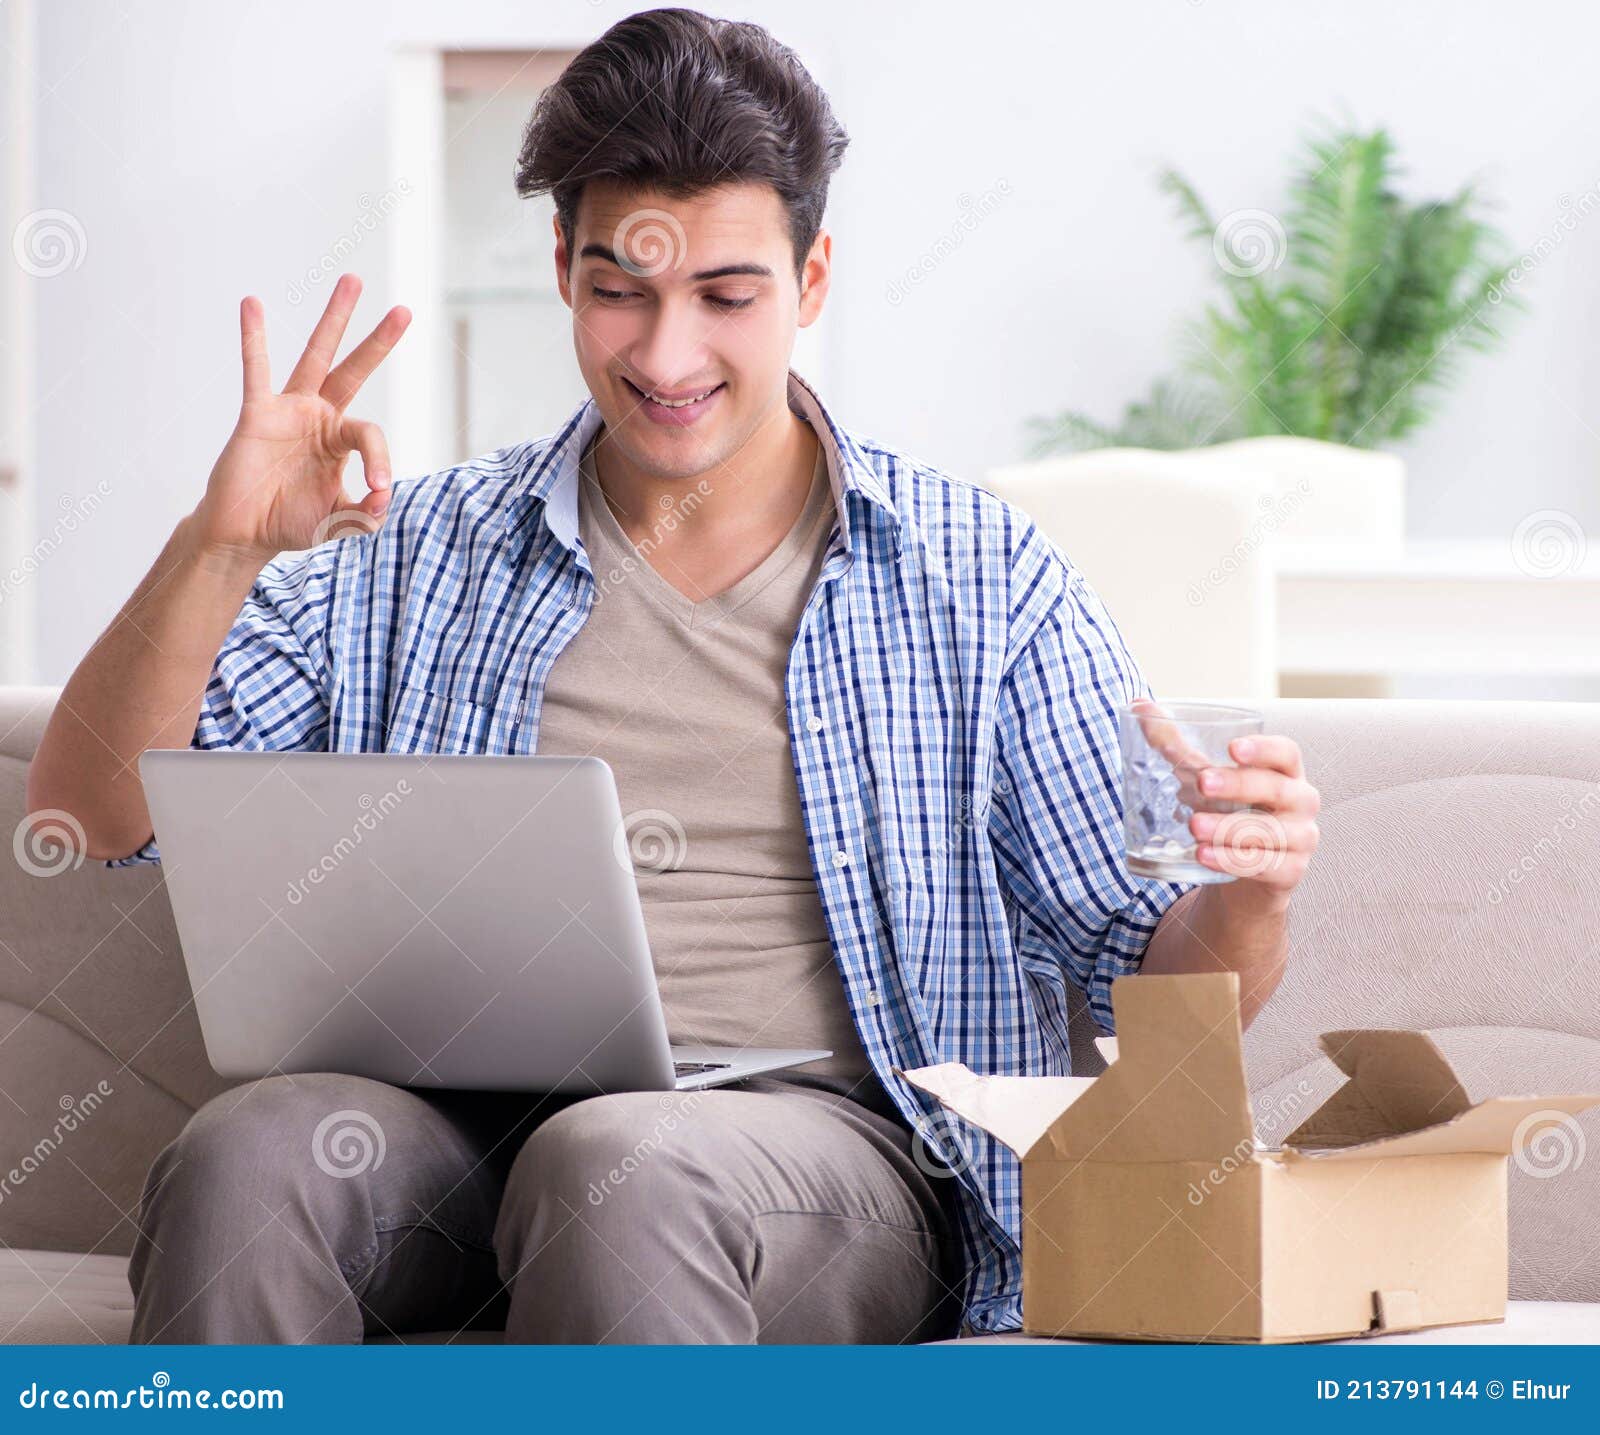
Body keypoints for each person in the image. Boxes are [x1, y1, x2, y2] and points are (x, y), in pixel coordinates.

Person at [26, 7, 1322, 1343]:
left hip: (823, 1162)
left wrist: (1252, 895)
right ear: (562, 268)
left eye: (726, 296)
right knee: (251, 1158)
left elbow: (1149, 981)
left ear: (812, 278)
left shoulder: (981, 579)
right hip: (451, 1138)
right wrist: (219, 548)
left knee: (620, 1174)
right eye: (621, 292)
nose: (665, 356)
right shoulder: (411, 548)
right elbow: (90, 817)